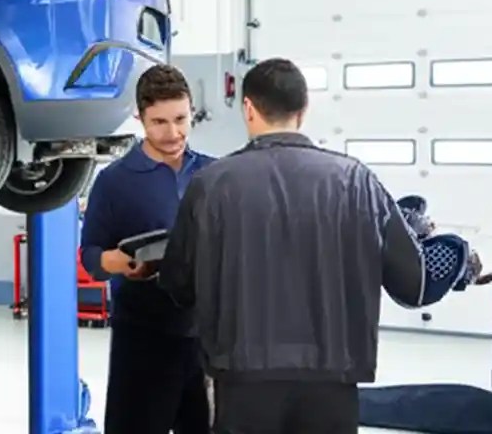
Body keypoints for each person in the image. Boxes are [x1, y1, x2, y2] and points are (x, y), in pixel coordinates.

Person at [158, 57, 429, 434]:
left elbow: (178, 284)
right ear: (303, 111)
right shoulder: (358, 181)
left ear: (248, 108)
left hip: (242, 382)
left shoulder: (210, 185)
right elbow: (412, 282)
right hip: (332, 384)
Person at [80, 64, 214, 434]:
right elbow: (91, 256)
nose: (173, 133)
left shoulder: (214, 175)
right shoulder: (114, 182)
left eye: (181, 119)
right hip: (142, 337)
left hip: (205, 338)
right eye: (159, 122)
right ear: (140, 118)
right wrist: (121, 263)